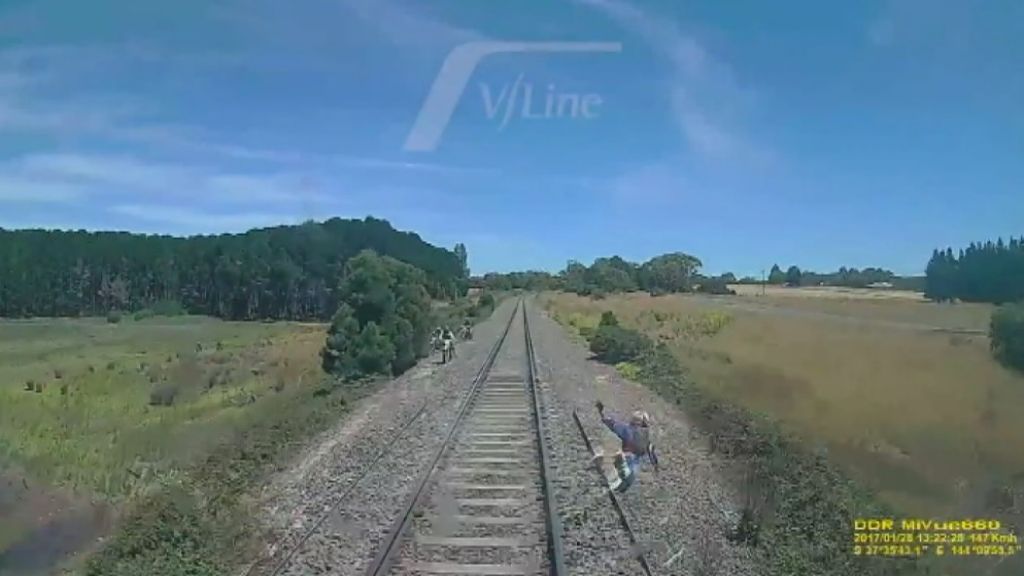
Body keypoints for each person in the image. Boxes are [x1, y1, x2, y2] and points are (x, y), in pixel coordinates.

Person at [591, 400, 659, 493]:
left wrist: (601, 414)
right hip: (633, 465)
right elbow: (652, 454)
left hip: (626, 456)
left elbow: (612, 423)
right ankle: (616, 478)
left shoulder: (627, 429)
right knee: (626, 481)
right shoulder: (647, 438)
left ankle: (611, 468)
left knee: (620, 470)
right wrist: (656, 467)